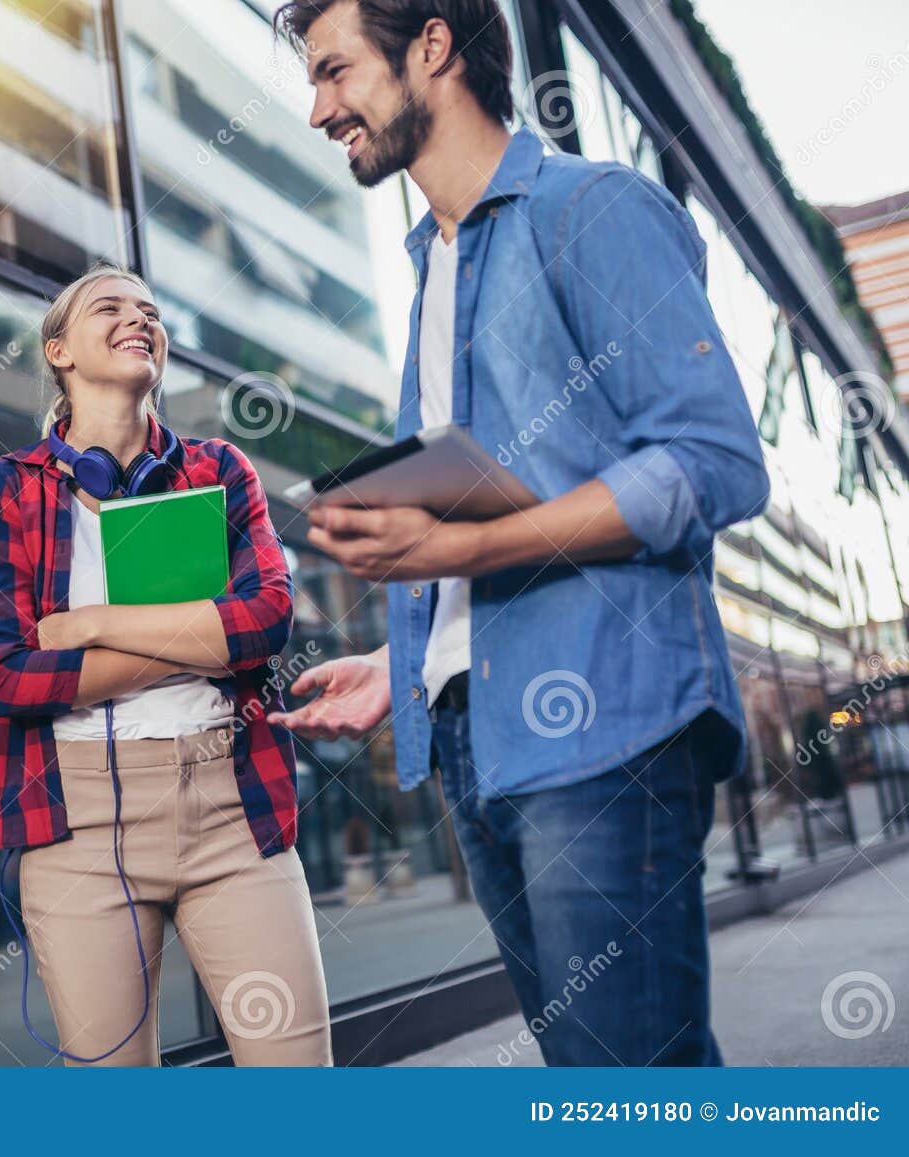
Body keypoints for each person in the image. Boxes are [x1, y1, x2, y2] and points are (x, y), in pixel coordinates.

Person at [268, 0, 769, 1066]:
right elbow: (485, 504)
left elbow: (714, 460)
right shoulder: (434, 269)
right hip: (472, 734)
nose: (317, 110)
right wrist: (405, 657)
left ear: (432, 47)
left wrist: (466, 552)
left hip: (607, 726)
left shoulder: (590, 209)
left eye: (334, 72)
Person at [0, 262, 331, 1066]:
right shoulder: (7, 489)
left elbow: (266, 620)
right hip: (77, 822)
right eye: (111, 307)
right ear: (58, 349)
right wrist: (197, 642)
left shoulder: (218, 469)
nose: (140, 319)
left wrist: (92, 625)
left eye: (151, 311)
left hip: (230, 803)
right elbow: (12, 674)